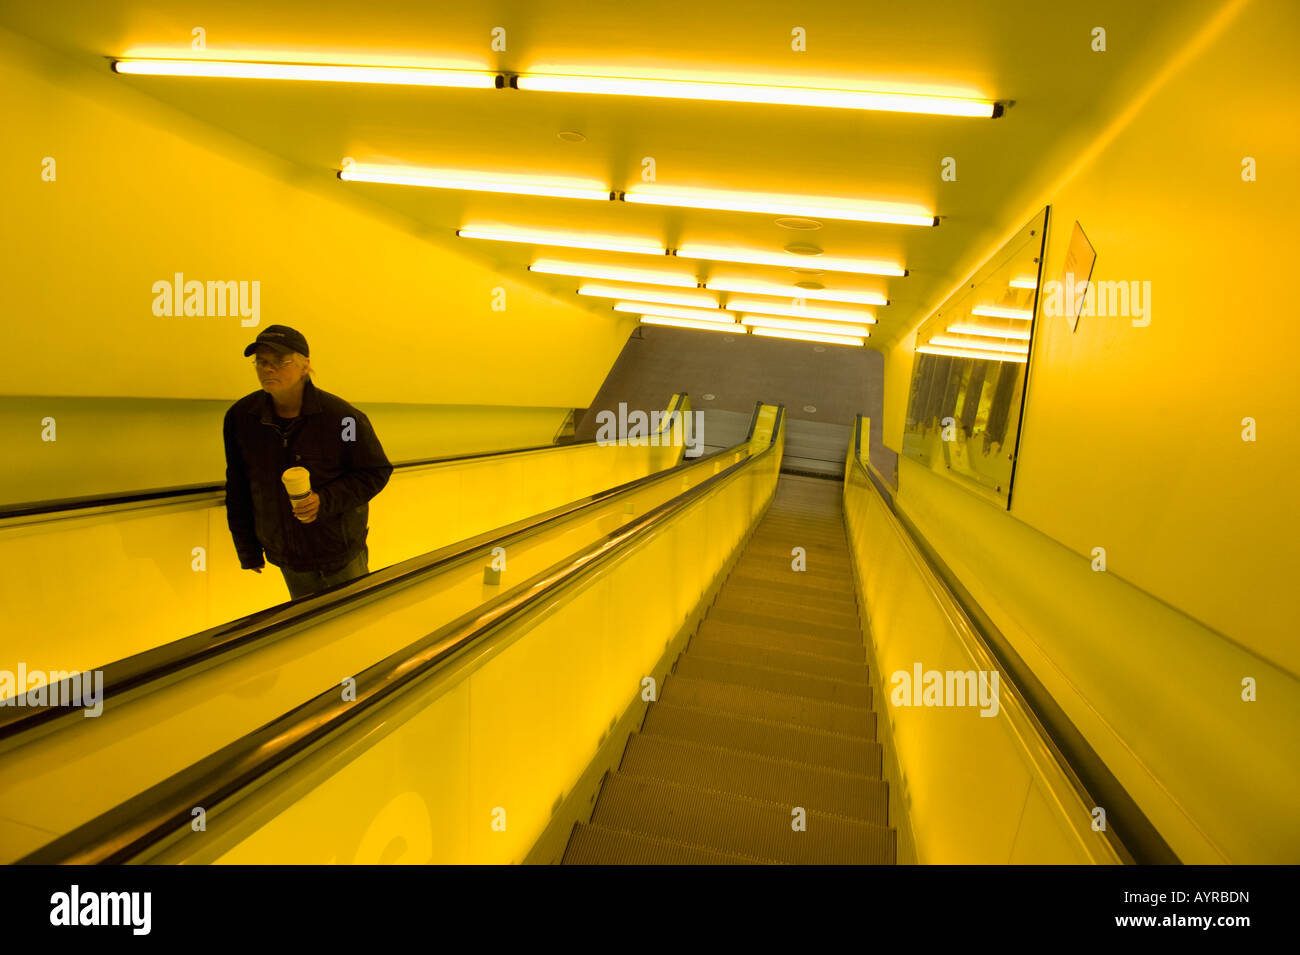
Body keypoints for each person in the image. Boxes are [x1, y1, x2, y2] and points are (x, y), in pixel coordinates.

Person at [222, 325, 393, 599]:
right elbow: (239, 486)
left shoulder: (342, 418)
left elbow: (373, 471)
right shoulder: (241, 419)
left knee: (352, 622)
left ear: (305, 366)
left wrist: (324, 500)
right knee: (308, 632)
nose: (268, 369)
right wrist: (248, 549)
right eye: (262, 362)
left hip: (340, 551)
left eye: (279, 361)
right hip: (287, 556)